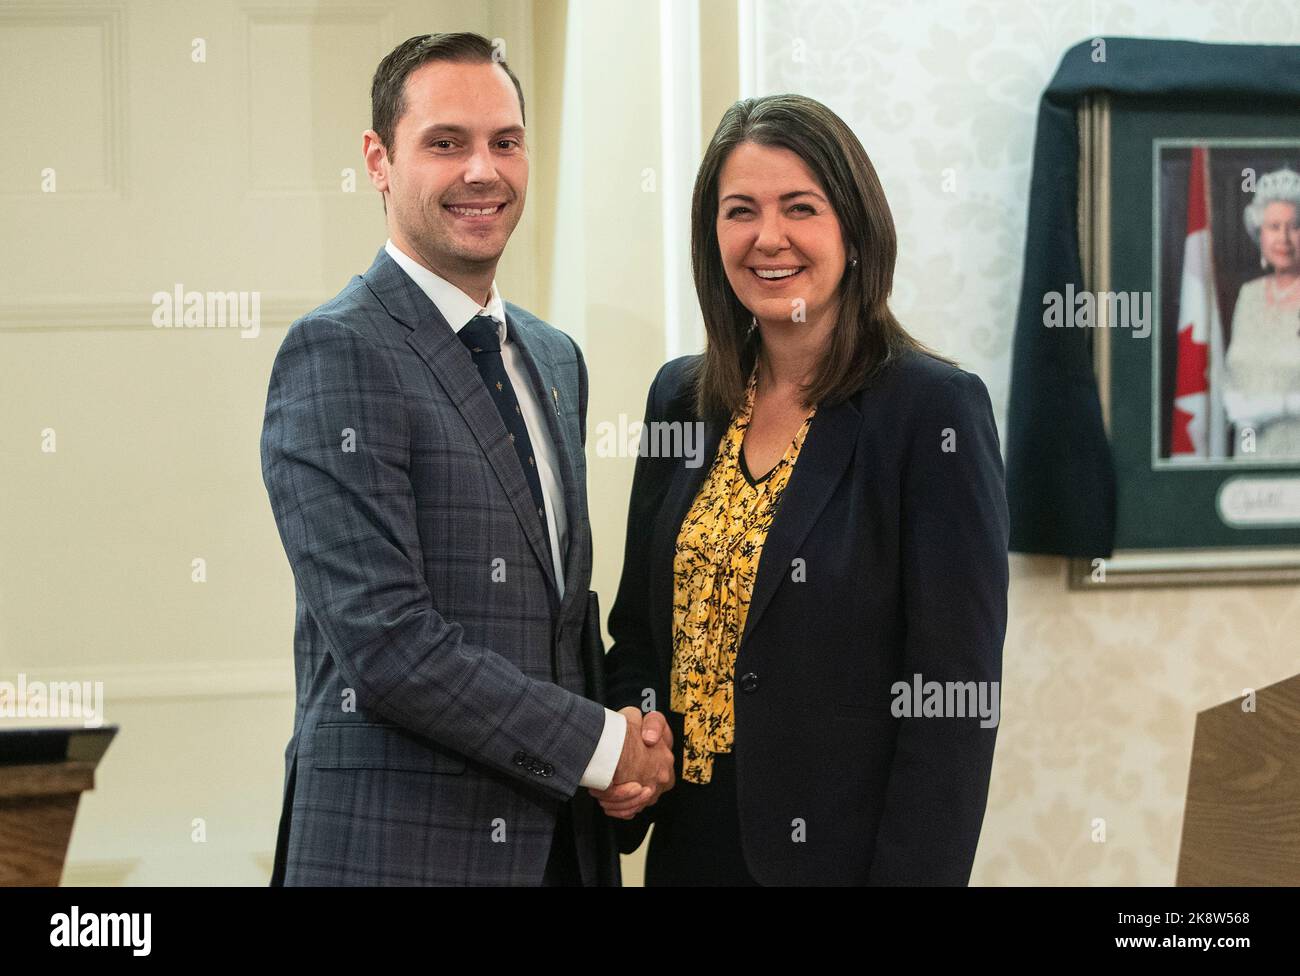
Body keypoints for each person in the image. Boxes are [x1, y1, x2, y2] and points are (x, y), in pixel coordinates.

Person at [259, 32, 672, 886]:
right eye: (445, 143)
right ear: (378, 159)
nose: (482, 171)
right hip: (400, 856)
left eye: (505, 142)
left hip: (562, 851)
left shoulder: (554, 360)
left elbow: (558, 622)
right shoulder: (337, 352)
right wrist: (604, 747)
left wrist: (637, 726)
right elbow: (390, 646)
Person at [591, 94, 1009, 885]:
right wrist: (634, 737)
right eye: (740, 210)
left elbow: (952, 703)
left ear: (854, 229)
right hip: (688, 855)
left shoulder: (931, 413)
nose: (768, 237)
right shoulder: (680, 401)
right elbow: (641, 636)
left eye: (800, 208)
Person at [1223, 166, 1300, 459]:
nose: (1284, 238)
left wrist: (1276, 407)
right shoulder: (1249, 295)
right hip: (1251, 450)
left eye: (1294, 226)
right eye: (1274, 227)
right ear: (1259, 235)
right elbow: (1232, 372)